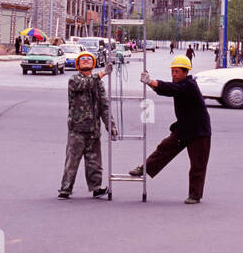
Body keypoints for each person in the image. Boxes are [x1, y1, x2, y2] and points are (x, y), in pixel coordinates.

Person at [130, 55, 211, 203]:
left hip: (199, 131)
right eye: (172, 71)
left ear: (186, 73)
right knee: (165, 147)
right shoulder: (180, 85)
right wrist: (149, 83)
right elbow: (165, 90)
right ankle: (144, 168)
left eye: (177, 72)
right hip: (184, 128)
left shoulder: (189, 85)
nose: (174, 74)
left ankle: (195, 195)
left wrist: (151, 81)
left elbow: (170, 88)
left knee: (197, 165)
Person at [58, 51, 116, 199]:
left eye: (88, 59)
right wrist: (102, 73)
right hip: (77, 129)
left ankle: (96, 187)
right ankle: (65, 189)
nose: (85, 61)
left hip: (93, 129)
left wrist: (110, 125)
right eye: (82, 59)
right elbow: (84, 84)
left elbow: (104, 106)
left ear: (93, 63)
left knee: (94, 161)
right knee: (72, 160)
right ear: (78, 64)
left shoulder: (99, 83)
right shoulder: (74, 79)